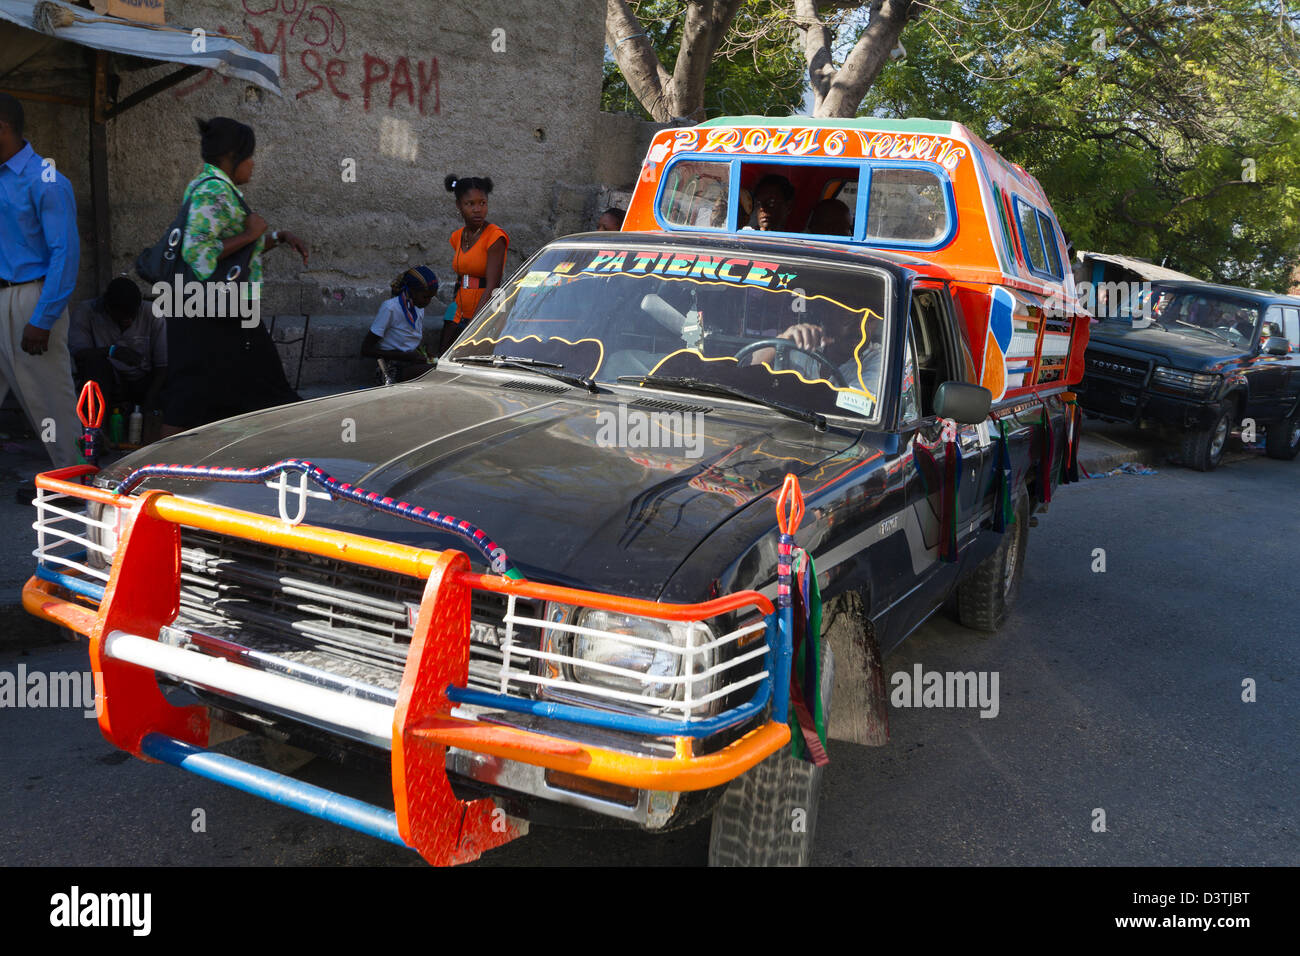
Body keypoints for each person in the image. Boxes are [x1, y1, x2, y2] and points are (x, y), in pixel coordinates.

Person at [161, 117, 310, 434]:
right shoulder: (213, 191)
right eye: (251, 156)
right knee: (199, 400)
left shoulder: (215, 188)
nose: (254, 165)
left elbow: (231, 256)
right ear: (232, 157)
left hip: (215, 310)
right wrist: (250, 233)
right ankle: (160, 473)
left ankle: (183, 471)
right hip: (210, 313)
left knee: (205, 399)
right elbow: (198, 254)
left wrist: (277, 237)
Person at [0, 92, 81, 469]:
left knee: (49, 398)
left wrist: (43, 318)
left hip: (31, 299)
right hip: (4, 297)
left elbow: (65, 253)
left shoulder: (46, 180)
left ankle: (73, 479)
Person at [68, 276, 166, 429]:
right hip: (107, 382)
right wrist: (112, 351)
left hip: (141, 382)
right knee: (94, 365)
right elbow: (79, 354)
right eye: (122, 316)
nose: (128, 321)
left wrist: (149, 405)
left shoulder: (152, 314)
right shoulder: (87, 311)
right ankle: (96, 432)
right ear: (107, 307)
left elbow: (162, 367)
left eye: (132, 315)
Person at [443, 174, 508, 354]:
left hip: (486, 308)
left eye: (482, 203)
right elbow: (461, 277)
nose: (477, 209)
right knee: (445, 355)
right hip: (461, 307)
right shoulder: (457, 237)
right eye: (470, 204)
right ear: (459, 206)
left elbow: (493, 285)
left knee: (472, 356)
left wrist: (475, 324)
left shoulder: (495, 237)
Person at [361, 266, 438, 382]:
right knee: (437, 372)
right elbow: (366, 349)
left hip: (411, 362)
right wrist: (403, 356)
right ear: (412, 291)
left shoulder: (418, 308)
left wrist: (425, 354)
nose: (428, 302)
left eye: (431, 297)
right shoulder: (390, 308)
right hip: (391, 369)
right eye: (425, 297)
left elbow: (408, 339)